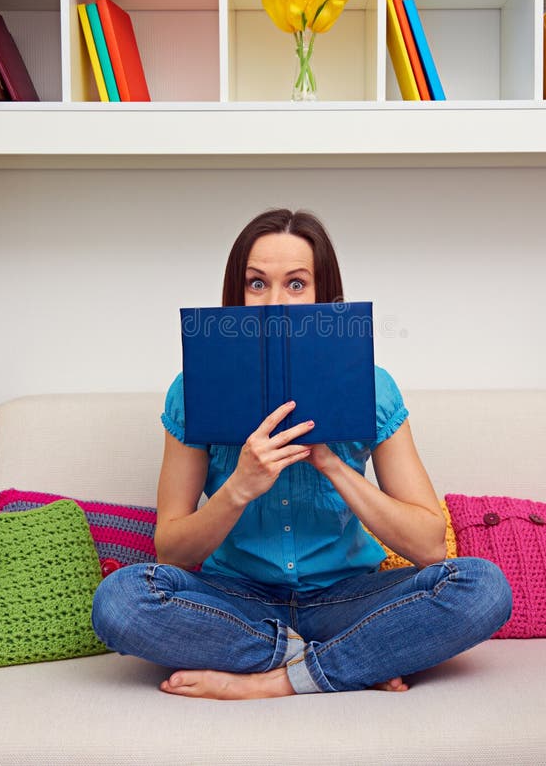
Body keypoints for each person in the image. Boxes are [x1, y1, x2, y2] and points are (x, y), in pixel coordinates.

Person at [92, 208, 512, 699]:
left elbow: (429, 548)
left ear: (324, 297)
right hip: (236, 601)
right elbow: (172, 552)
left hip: (348, 598)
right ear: (236, 296)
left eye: (296, 284)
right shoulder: (193, 391)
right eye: (256, 283)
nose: (274, 302)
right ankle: (341, 659)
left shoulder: (372, 388)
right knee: (119, 601)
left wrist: (331, 464)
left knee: (482, 587)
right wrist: (239, 486)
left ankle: (276, 679)